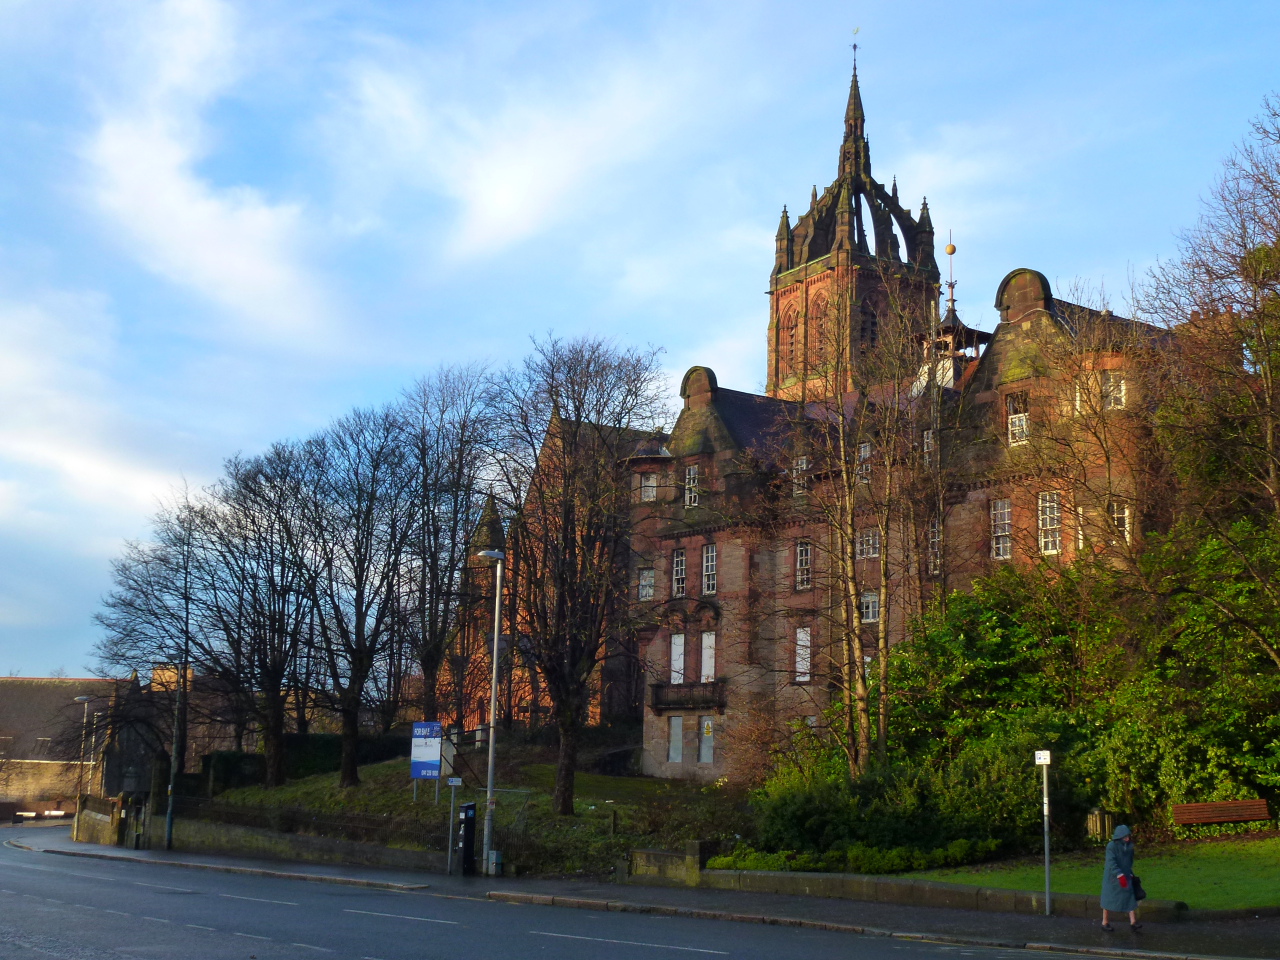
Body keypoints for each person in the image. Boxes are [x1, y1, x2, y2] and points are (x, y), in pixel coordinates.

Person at [1100, 824, 1140, 931]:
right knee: (1109, 899)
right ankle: (1105, 922)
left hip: (1125, 875)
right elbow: (1111, 862)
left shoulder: (1129, 847)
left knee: (1130, 897)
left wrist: (1129, 872)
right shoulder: (1111, 846)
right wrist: (1118, 873)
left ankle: (1133, 922)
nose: (1127, 838)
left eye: (1128, 836)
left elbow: (1129, 861)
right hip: (1112, 877)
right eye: (1125, 836)